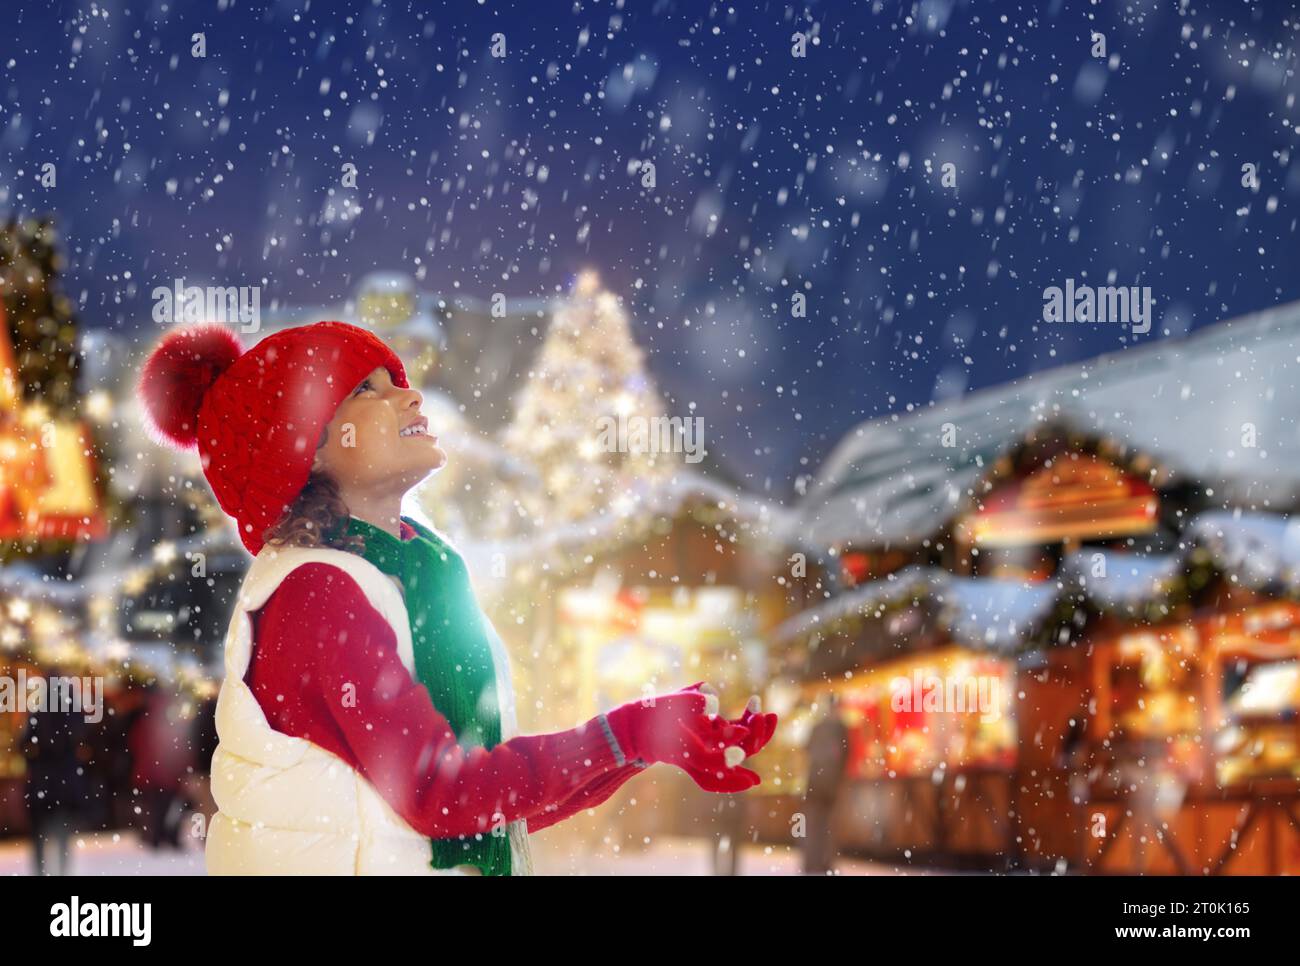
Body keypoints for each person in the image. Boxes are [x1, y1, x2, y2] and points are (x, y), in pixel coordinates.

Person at [136, 321, 779, 876]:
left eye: (397, 379)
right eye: (368, 390)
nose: (409, 394)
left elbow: (490, 806)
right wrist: (629, 732)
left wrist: (645, 742)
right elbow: (442, 793)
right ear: (304, 449)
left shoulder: (412, 576)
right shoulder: (317, 592)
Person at [20, 665, 92, 876]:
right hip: (65, 781)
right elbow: (82, 737)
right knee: (62, 833)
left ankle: (41, 871)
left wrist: (35, 757)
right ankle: (61, 872)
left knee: (40, 835)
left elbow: (24, 744)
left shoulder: (39, 708)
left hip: (43, 781)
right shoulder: (73, 709)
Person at [802, 692, 848, 875]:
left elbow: (806, 750)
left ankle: (811, 862)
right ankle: (825, 862)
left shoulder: (817, 727)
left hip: (814, 783)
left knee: (813, 824)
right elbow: (846, 755)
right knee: (828, 825)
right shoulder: (840, 729)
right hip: (830, 785)